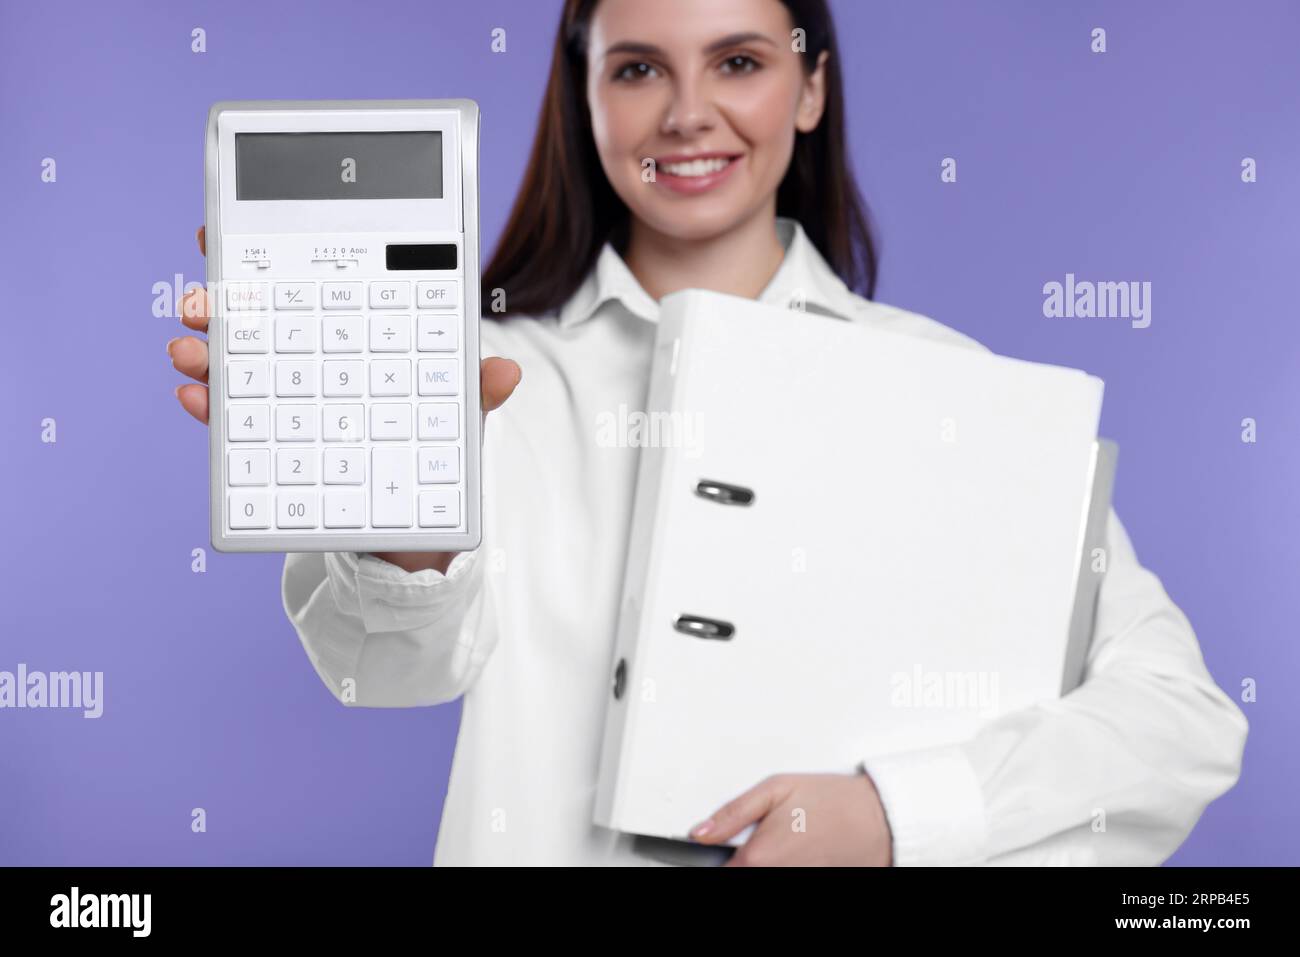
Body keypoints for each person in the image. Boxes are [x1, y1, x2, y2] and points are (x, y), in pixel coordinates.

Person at [167, 0, 1247, 866]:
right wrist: (399, 510)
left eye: (737, 62)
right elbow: (383, 672)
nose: (687, 113)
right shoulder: (479, 376)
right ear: (582, 99)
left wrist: (888, 819)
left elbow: (1179, 723)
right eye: (637, 68)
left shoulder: (953, 385)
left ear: (810, 86)